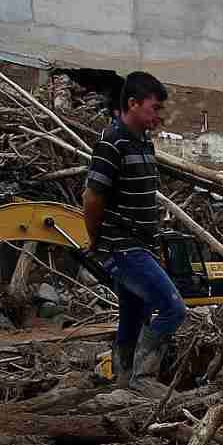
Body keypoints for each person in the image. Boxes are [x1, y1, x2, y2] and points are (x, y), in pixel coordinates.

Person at [82, 70, 184, 390]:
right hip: (122, 246)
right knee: (172, 308)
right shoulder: (112, 143)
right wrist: (98, 241)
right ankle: (142, 377)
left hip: (141, 244)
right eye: (154, 108)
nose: (158, 116)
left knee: (132, 317)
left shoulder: (143, 144)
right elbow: (92, 197)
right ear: (133, 104)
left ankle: (123, 382)